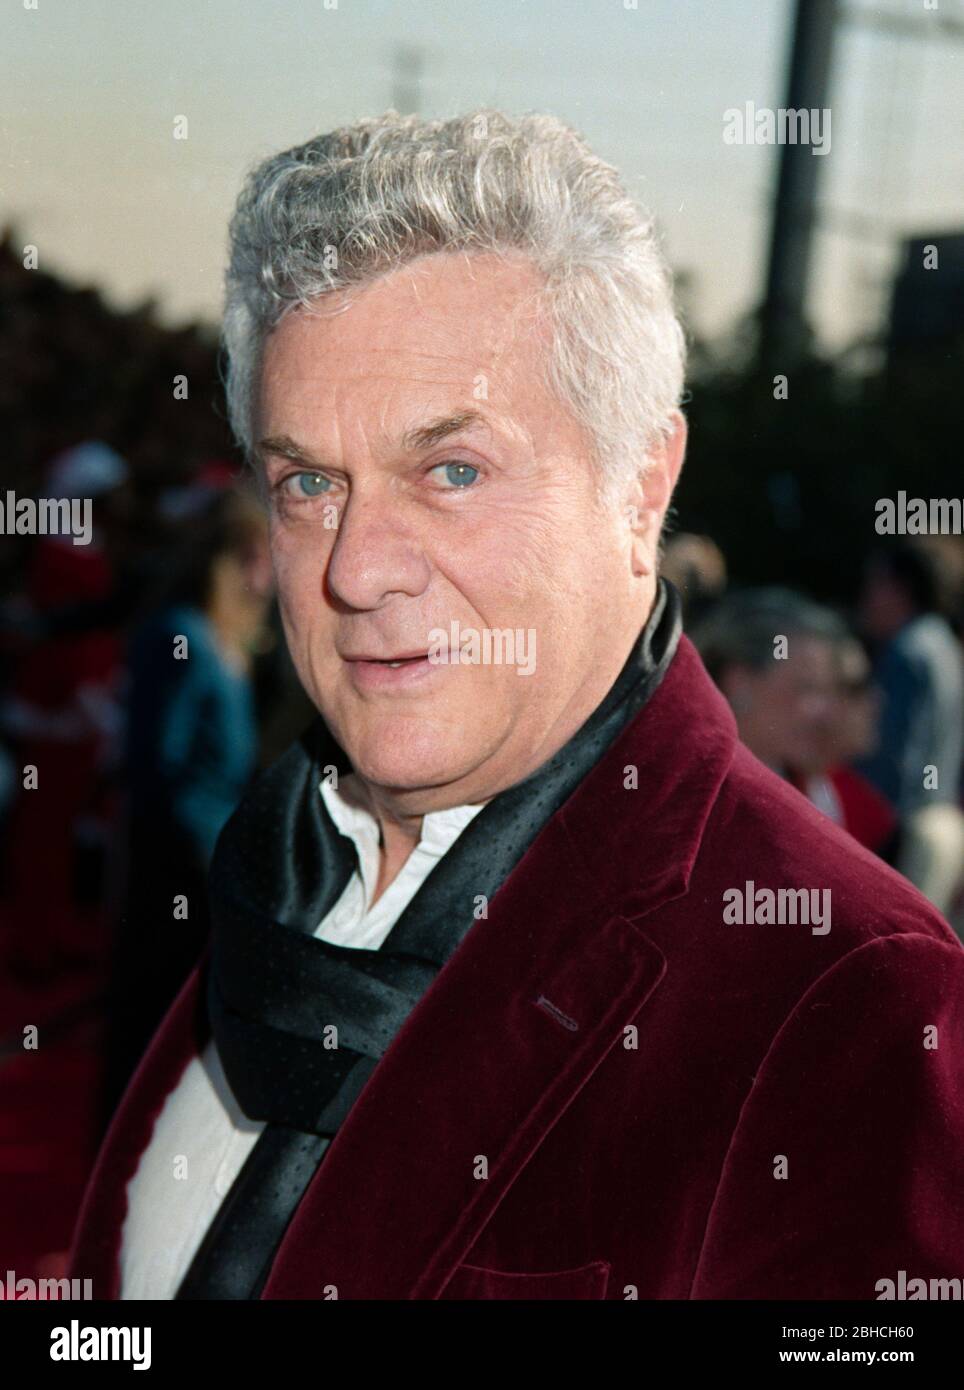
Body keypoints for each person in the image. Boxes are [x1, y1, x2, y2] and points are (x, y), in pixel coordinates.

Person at [68, 109, 964, 1301]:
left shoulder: (843, 997)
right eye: (308, 482)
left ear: (641, 487)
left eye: (451, 471)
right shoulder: (271, 879)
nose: (354, 566)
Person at [97, 485, 273, 1132]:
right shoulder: (180, 638)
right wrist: (202, 867)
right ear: (233, 556)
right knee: (151, 1031)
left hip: (212, 870)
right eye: (263, 555)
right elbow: (154, 772)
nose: (274, 574)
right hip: (172, 872)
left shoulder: (232, 643)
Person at [692, 588, 898, 858]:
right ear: (739, 682)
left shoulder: (804, 787)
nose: (822, 711)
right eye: (804, 688)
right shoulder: (692, 794)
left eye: (825, 690)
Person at [856, 542, 964, 917]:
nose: (866, 597)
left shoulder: (908, 650)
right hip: (945, 827)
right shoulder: (945, 645)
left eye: (875, 584)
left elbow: (895, 759)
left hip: (909, 832)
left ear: (899, 589)